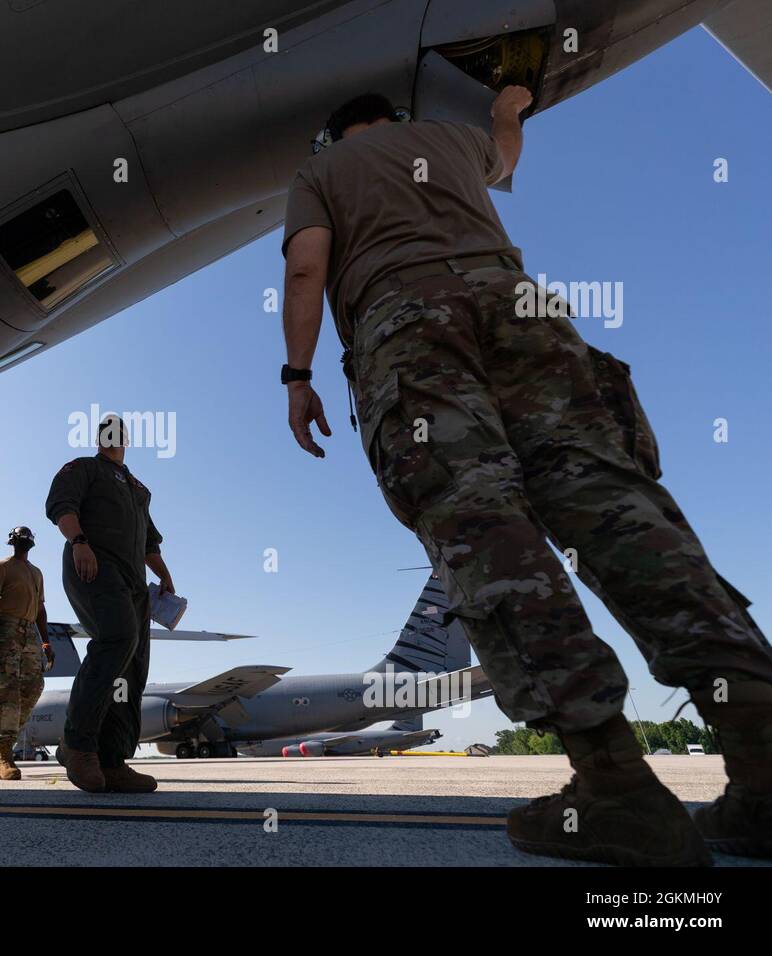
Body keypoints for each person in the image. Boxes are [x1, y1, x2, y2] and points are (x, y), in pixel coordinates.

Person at [278, 88, 772, 864]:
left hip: (408, 320)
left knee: (481, 524)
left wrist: (295, 375)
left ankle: (615, 788)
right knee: (619, 508)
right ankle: (765, 771)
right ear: (396, 122)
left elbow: (307, 270)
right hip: (523, 307)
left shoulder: (325, 170)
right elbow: (505, 153)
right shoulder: (449, 139)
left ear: (331, 133)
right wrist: (509, 104)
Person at [45, 414, 174, 793]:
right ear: (100, 436)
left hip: (134, 581)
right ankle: (77, 743)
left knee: (132, 662)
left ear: (128, 439)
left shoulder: (138, 488)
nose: (114, 434)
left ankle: (112, 758)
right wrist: (79, 542)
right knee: (116, 638)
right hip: (94, 564)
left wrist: (164, 576)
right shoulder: (84, 468)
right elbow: (61, 506)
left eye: (120, 430)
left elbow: (149, 542)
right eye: (107, 429)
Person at [0, 526, 54, 781]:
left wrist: (46, 643)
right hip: (6, 628)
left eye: (27, 539)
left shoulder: (36, 573)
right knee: (5, 691)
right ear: (12, 542)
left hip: (29, 631)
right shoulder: (3, 567)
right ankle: (5, 755)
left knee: (33, 688)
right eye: (19, 539)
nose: (23, 542)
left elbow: (41, 610)